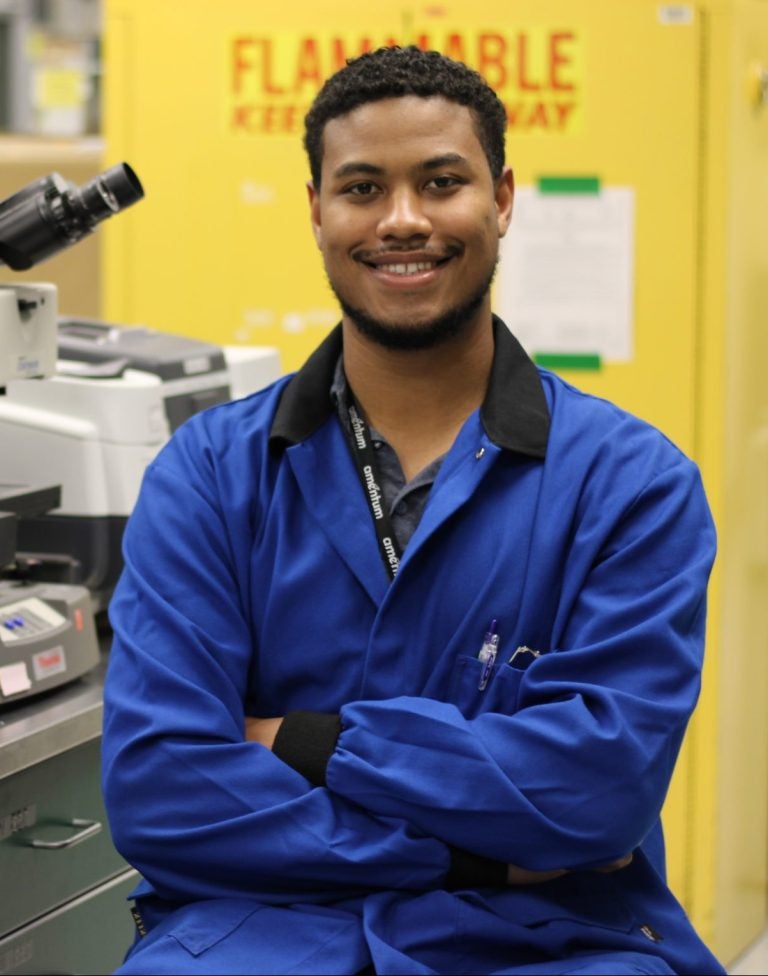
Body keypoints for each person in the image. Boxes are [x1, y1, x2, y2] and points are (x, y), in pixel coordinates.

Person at [101, 45, 726, 976]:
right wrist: (478, 851)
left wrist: (305, 740)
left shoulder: (631, 485)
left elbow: (600, 793)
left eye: (441, 183)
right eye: (362, 188)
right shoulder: (208, 476)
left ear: (502, 199)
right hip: (260, 934)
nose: (403, 220)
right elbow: (160, 789)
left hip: (555, 940)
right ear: (316, 210)